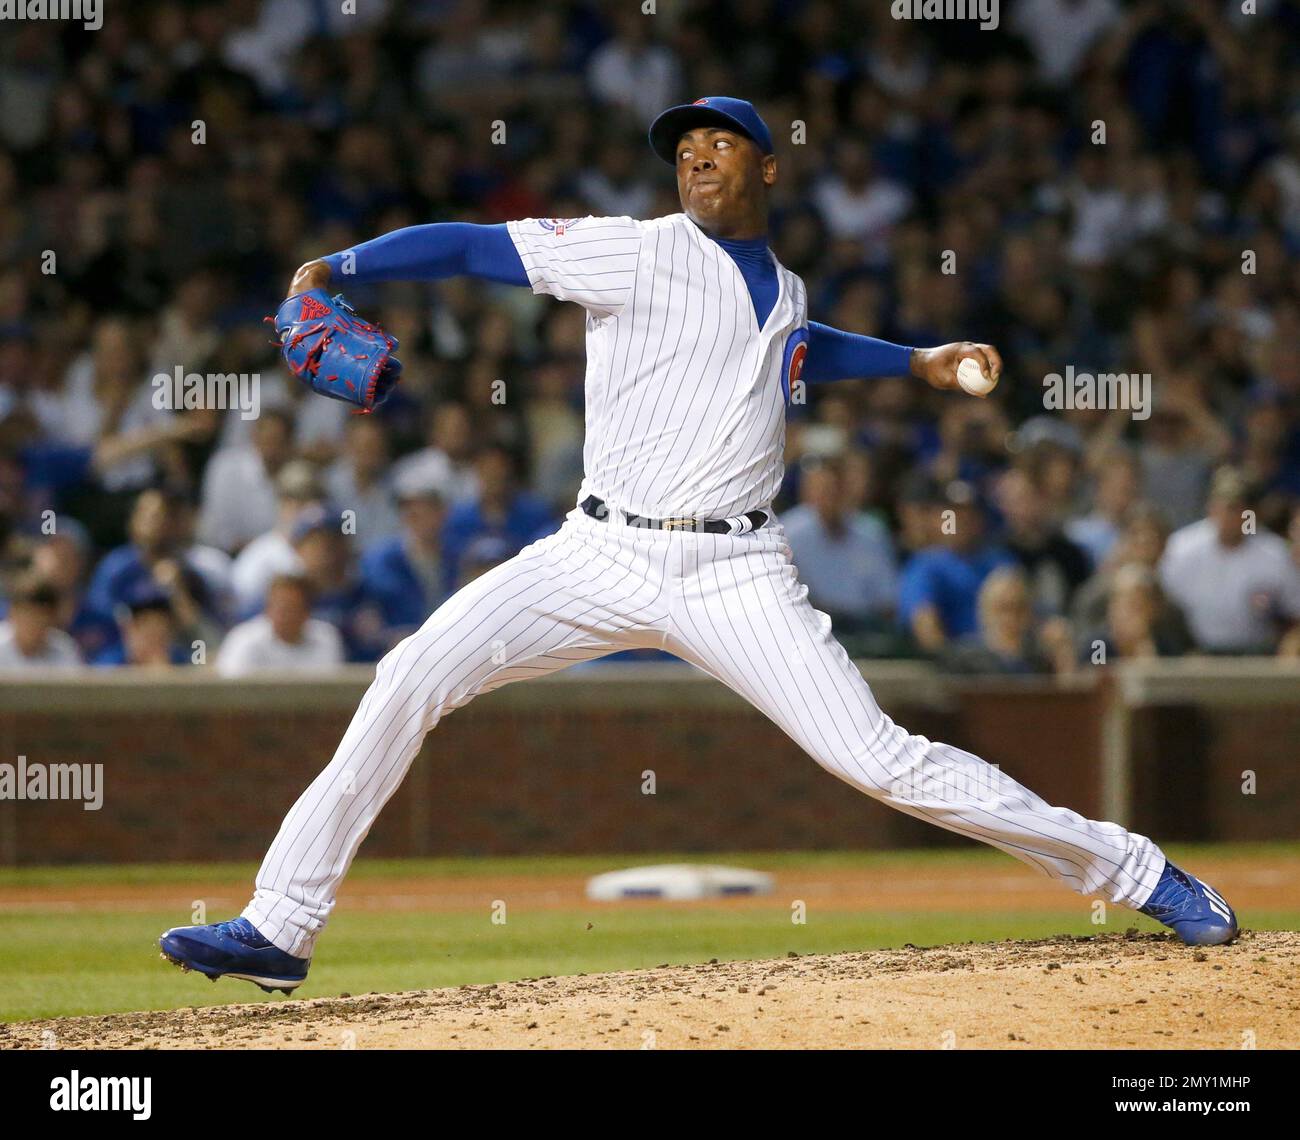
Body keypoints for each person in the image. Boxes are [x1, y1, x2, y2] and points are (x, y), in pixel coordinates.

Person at [161, 96, 1238, 997]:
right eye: (683, 150)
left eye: (719, 144)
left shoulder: (787, 289)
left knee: (882, 762)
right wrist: (343, 263)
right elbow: (474, 247)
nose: (697, 159)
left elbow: (797, 347)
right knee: (407, 676)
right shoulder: (632, 251)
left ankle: (1136, 872)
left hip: (736, 572)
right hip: (595, 553)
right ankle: (281, 925)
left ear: (768, 167)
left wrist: (914, 362)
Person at [1158, 465, 1300, 653]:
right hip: (1193, 652)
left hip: (1258, 654)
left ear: (1251, 513)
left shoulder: (1274, 554)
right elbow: (1163, 609)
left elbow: (1294, 613)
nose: (1227, 516)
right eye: (1221, 506)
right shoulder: (1181, 548)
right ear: (1210, 507)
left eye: (1236, 509)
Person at [215, 574, 344, 677]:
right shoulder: (243, 639)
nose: (285, 614)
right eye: (279, 607)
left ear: (307, 611)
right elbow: (231, 692)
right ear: (267, 608)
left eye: (293, 608)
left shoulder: (327, 637)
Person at [0, 575, 82, 669]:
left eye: (40, 621)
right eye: (27, 617)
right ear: (12, 613)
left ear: (52, 620)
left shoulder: (64, 648)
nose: (32, 626)